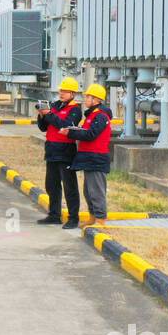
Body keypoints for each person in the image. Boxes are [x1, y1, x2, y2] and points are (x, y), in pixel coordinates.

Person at [35, 77, 85, 228]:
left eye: (65, 91)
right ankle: (54, 215)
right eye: (61, 90)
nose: (61, 93)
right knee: (51, 184)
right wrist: (42, 115)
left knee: (69, 186)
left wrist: (49, 114)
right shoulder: (55, 105)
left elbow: (65, 125)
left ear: (73, 93)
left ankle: (73, 218)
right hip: (51, 149)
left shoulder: (75, 110)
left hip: (65, 150)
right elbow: (44, 127)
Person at [63, 83, 113, 227]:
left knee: (96, 191)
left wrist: (71, 133)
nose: (86, 99)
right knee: (88, 191)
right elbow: (86, 132)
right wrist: (74, 130)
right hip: (89, 157)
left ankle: (101, 219)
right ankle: (93, 217)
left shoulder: (101, 116)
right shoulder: (92, 115)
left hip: (97, 158)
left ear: (96, 99)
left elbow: (91, 134)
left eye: (88, 97)